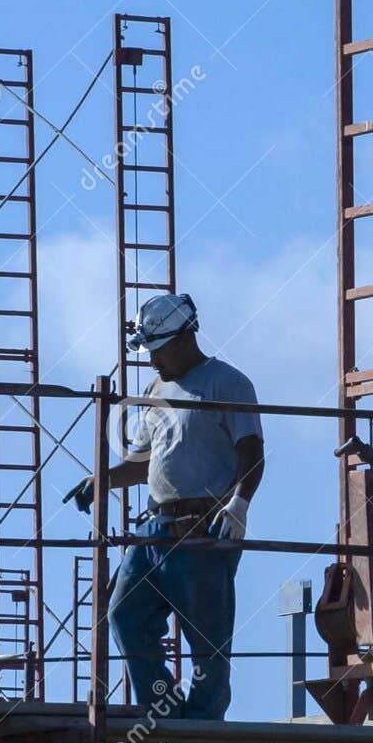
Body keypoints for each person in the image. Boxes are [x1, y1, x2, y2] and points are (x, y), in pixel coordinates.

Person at [64, 293, 264, 720]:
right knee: (124, 615)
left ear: (184, 338)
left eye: (157, 351)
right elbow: (143, 462)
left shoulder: (227, 383)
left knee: (207, 642)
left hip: (204, 530)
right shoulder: (156, 389)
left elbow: (253, 453)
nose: (152, 361)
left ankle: (203, 728)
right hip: (155, 528)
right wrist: (102, 481)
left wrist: (239, 506)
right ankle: (164, 711)